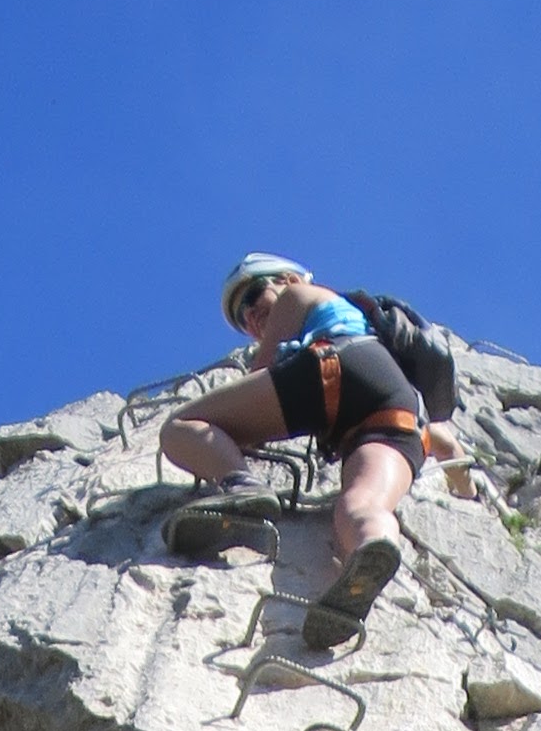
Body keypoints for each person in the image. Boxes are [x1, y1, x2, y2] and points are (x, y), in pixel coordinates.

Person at [158, 254, 428, 647]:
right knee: (359, 506)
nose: (249, 315)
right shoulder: (370, 328)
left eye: (251, 297)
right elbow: (441, 440)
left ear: (285, 279)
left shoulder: (296, 296)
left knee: (179, 428)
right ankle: (371, 550)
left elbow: (263, 373)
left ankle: (242, 488)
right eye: (240, 317)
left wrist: (232, 440)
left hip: (335, 368)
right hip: (401, 412)